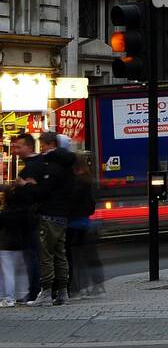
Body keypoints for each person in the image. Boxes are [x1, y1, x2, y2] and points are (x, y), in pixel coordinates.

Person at [20, 131, 77, 305]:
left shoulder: (52, 167)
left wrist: (27, 186)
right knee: (60, 254)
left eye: (43, 144)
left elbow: (44, 191)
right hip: (62, 215)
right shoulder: (66, 165)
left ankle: (45, 293)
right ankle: (62, 292)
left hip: (50, 214)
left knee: (46, 255)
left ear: (51, 144)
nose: (41, 148)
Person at [9, 134, 42, 301]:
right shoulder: (30, 165)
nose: (15, 150)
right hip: (29, 217)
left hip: (31, 217)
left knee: (33, 255)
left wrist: (23, 186)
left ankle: (35, 291)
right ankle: (34, 290)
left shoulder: (34, 166)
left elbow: (36, 192)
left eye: (19, 146)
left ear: (29, 147)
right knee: (31, 255)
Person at [67, 153, 105, 297]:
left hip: (75, 223)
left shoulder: (77, 183)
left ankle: (78, 288)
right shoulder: (89, 180)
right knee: (89, 256)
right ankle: (97, 285)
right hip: (87, 223)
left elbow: (74, 203)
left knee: (76, 258)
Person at [0, 180, 30, 305]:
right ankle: (22, 295)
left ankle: (9, 297)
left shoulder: (5, 213)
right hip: (22, 244)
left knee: (7, 272)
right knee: (21, 271)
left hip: (6, 245)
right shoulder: (25, 211)